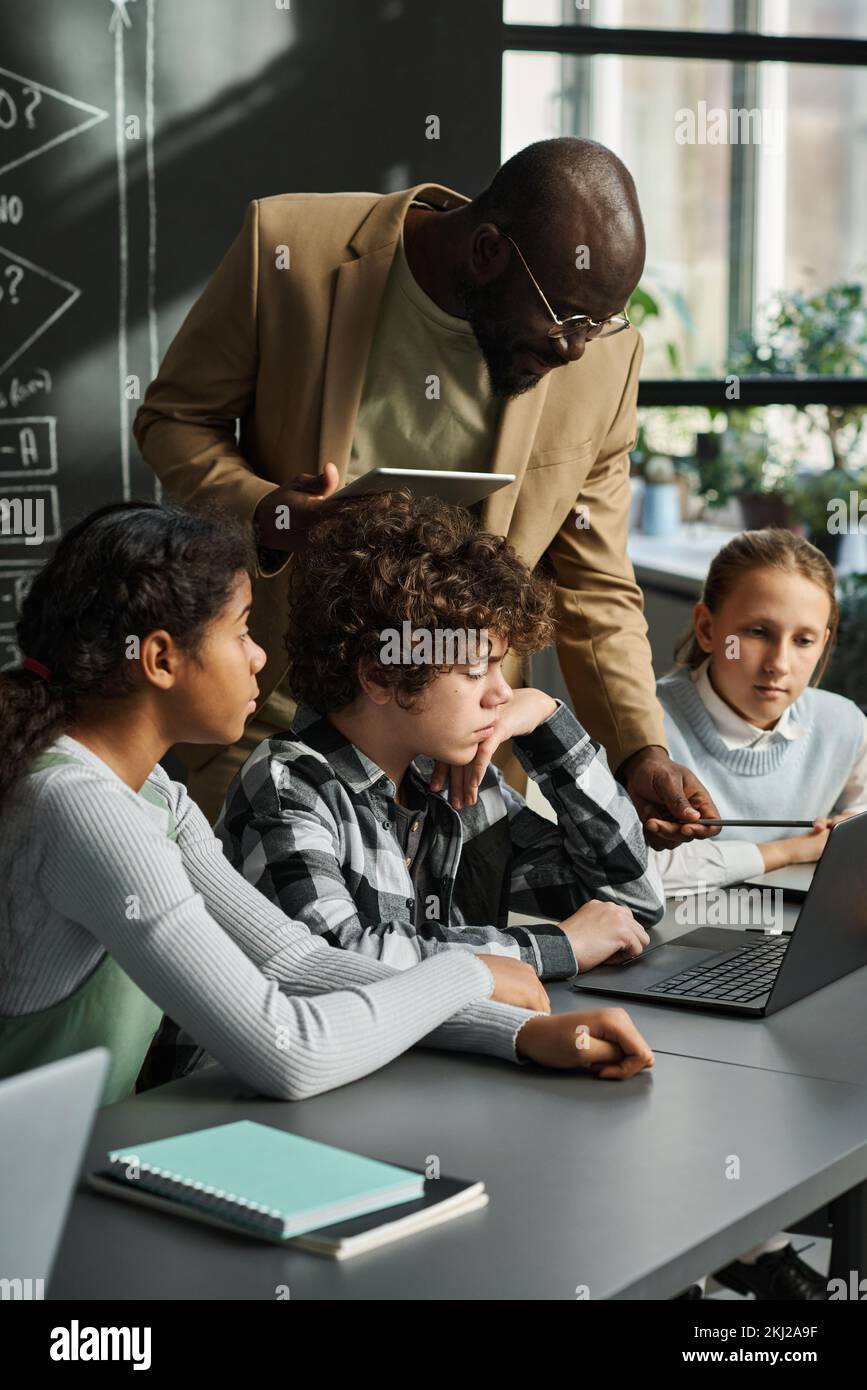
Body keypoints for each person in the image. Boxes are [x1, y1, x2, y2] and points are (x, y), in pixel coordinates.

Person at [133, 136, 720, 852]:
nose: (575, 349)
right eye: (565, 318)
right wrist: (276, 514)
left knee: (456, 960)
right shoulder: (287, 250)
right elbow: (174, 418)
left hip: (465, 742)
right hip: (274, 711)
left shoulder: (603, 360)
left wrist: (638, 753)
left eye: (599, 324)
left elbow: (594, 580)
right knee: (286, 956)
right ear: (486, 252)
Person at [0, 500, 656, 1108]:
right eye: (241, 630)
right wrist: (469, 974)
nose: (259, 656)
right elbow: (289, 1049)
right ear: (161, 660)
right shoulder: (84, 810)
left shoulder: (153, 794)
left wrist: (510, 1035)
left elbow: (296, 960)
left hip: (75, 1172)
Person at [216, 491, 663, 979]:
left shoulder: (454, 779)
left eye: (500, 668)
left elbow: (629, 902)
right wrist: (558, 947)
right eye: (476, 670)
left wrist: (547, 722)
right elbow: (336, 961)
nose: (501, 693)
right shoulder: (286, 785)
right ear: (381, 677)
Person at [655, 527, 865, 1301]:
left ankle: (752, 1246)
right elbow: (647, 878)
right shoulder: (650, 726)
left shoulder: (841, 724)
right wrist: (782, 853)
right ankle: (721, 1252)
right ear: (708, 628)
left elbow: (858, 833)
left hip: (787, 953)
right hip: (663, 959)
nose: (779, 663)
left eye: (803, 640)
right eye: (755, 634)